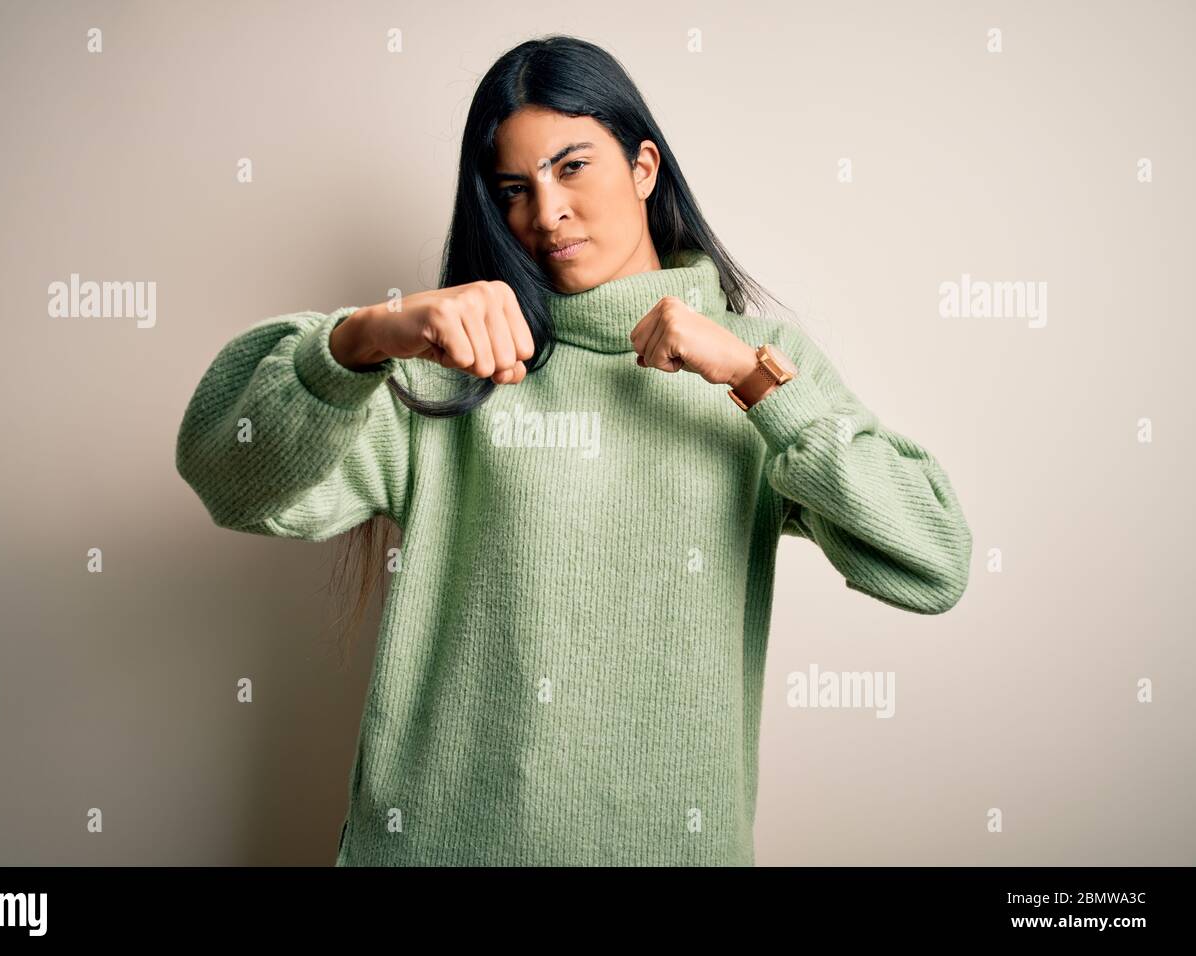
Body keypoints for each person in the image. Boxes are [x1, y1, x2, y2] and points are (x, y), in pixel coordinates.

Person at [174, 35, 973, 866]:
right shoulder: (455, 363)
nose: (544, 213)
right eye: (513, 188)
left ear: (643, 167)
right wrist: (362, 337)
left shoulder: (757, 367)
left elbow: (933, 557)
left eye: (572, 167)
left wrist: (757, 382)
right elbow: (225, 474)